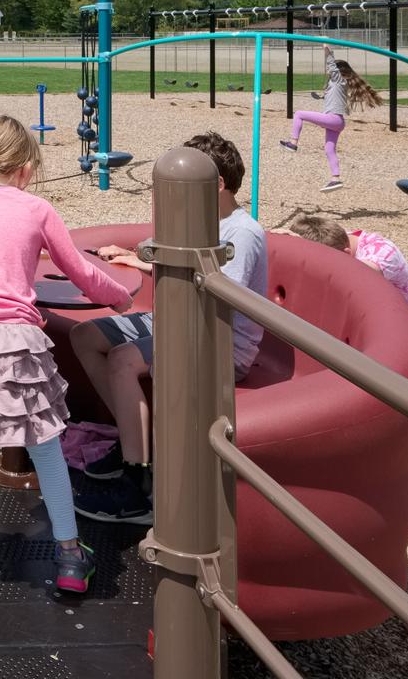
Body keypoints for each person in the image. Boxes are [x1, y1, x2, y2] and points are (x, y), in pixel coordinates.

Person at [0, 115, 133, 594]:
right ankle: (70, 557)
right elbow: (80, 271)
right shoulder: (37, 209)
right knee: (45, 445)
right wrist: (121, 297)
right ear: (24, 166)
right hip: (16, 342)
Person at [69, 131, 267, 526]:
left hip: (220, 340)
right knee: (85, 335)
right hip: (179, 321)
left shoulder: (241, 233)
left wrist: (148, 263)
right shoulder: (196, 218)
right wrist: (134, 256)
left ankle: (138, 484)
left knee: (123, 360)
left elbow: (220, 296)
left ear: (216, 184)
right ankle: (136, 441)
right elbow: (166, 256)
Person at [286, 216, 408, 549]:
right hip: (385, 348)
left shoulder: (381, 253)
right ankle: (397, 501)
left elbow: (359, 275)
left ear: (342, 253)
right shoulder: (336, 242)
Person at [278, 46, 382, 191]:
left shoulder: (339, 80)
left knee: (299, 114)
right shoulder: (338, 84)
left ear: (339, 71)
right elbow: (334, 96)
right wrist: (323, 96)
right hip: (337, 122)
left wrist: (327, 50)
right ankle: (335, 179)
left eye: (331, 70)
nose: (328, 71)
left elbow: (331, 65)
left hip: (333, 119)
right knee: (329, 149)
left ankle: (293, 143)